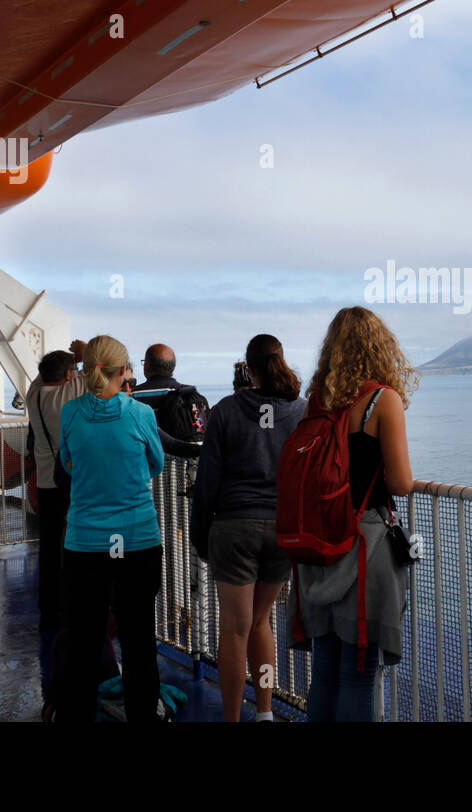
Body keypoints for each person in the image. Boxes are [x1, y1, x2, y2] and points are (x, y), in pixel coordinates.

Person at [290, 306, 416, 722]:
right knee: (360, 674)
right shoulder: (384, 400)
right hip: (365, 546)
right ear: (381, 348)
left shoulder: (319, 402)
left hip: (319, 547)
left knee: (325, 671)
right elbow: (399, 483)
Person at [196, 334, 306, 722]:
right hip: (282, 529)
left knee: (234, 629)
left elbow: (207, 480)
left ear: (248, 367)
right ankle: (263, 713)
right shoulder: (300, 411)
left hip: (232, 528)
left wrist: (200, 537)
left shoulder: (225, 411)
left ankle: (231, 717)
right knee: (262, 622)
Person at [57, 334, 164, 722]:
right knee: (139, 641)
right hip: (137, 540)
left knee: (84, 641)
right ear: (123, 373)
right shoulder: (141, 415)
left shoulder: (69, 414)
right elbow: (156, 464)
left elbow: (68, 464)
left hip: (85, 543)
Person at [25, 344, 86, 632]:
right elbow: (101, 369)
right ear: (68, 375)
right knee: (73, 546)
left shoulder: (34, 394)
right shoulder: (67, 395)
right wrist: (84, 352)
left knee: (49, 547)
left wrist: (72, 361)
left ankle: (48, 611)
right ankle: (71, 608)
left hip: (46, 482)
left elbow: (43, 375)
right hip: (70, 483)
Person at [133, 343, 209, 447]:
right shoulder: (190, 395)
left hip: (148, 459)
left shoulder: (133, 396)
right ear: (172, 368)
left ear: (147, 366)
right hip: (185, 459)